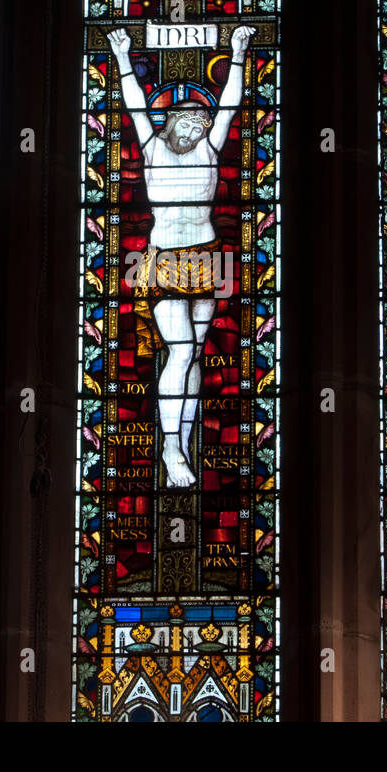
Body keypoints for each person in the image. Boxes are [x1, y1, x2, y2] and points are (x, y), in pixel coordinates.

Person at [106, 24, 254, 488]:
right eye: (188, 122)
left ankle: (181, 442)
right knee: (182, 348)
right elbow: (132, 101)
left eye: (202, 125)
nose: (196, 129)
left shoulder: (210, 149)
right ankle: (169, 444)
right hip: (166, 258)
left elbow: (230, 100)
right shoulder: (152, 148)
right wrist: (122, 56)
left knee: (192, 356)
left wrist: (238, 53)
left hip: (209, 257)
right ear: (170, 123)